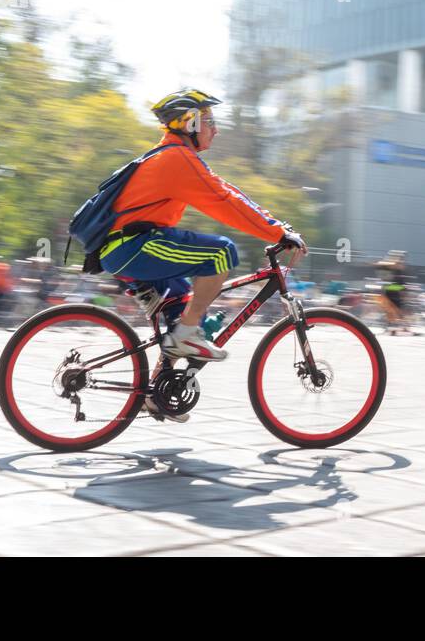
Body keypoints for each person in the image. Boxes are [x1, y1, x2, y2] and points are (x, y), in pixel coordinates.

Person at [97, 88, 307, 421]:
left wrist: (274, 224)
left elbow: (227, 191)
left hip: (127, 250)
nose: (216, 128)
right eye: (209, 120)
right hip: (134, 246)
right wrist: (277, 233)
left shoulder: (177, 157)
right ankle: (185, 336)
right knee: (222, 252)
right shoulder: (175, 158)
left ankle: (157, 394)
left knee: (181, 312)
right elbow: (225, 202)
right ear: (190, 122)